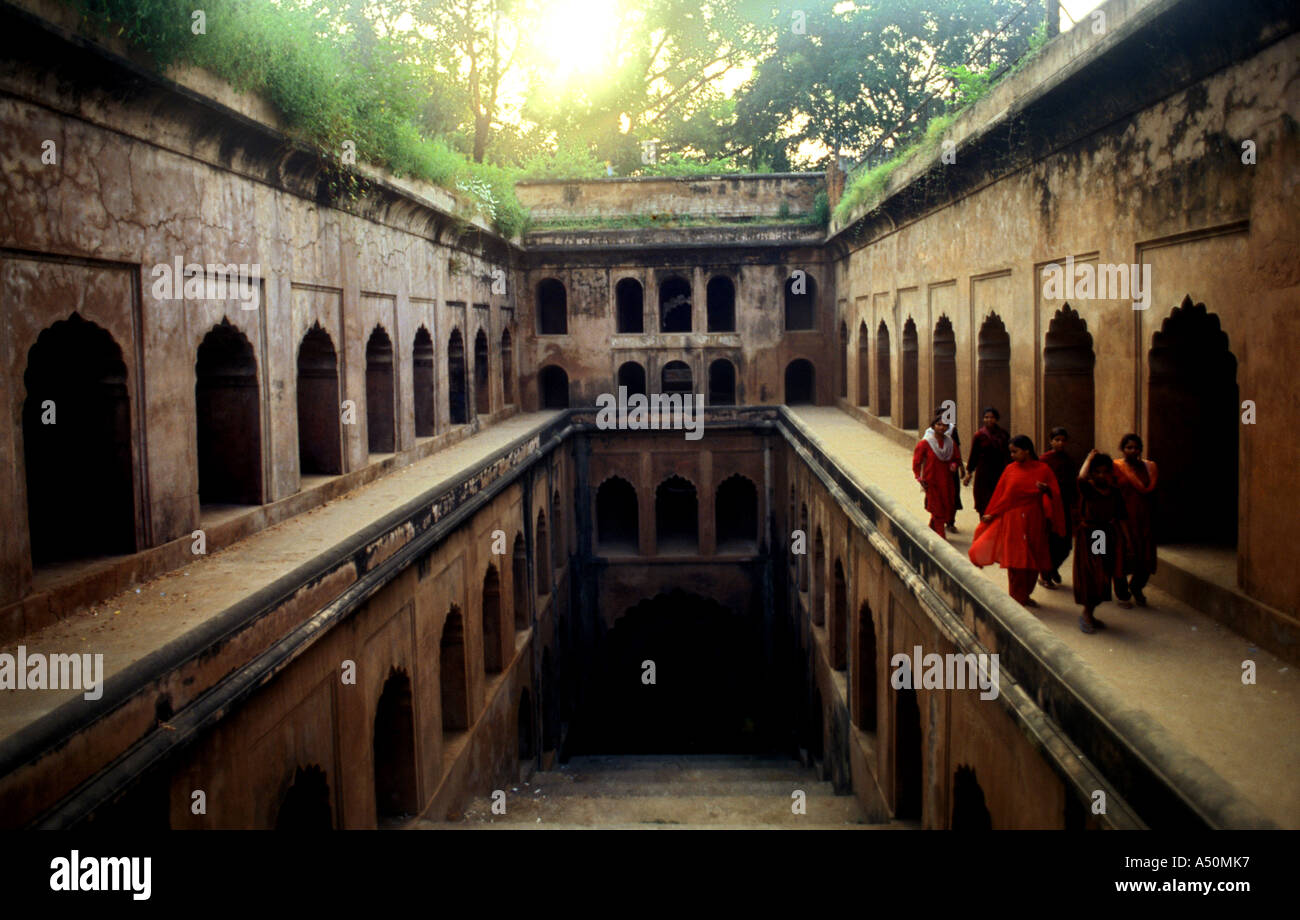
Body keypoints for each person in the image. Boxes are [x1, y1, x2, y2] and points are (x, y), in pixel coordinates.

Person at [968, 435, 1066, 607]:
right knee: (1015, 561)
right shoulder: (1010, 470)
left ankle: (1025, 594)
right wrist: (992, 513)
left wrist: (1046, 490)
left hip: (1035, 520)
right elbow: (1002, 495)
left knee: (1033, 559)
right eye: (1011, 452)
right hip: (1013, 520)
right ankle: (1016, 598)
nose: (1012, 455)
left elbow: (1055, 493)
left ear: (1027, 450)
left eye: (1015, 451)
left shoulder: (1043, 469)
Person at [1073, 450, 1126, 633]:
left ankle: (1091, 613)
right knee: (1092, 574)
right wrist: (1088, 459)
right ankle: (1087, 614)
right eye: (1097, 472)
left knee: (1102, 574)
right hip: (1092, 534)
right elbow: (1080, 478)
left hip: (1104, 534)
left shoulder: (1113, 491)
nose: (1101, 475)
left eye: (1105, 471)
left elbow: (1120, 515)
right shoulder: (1089, 488)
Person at [1112, 433, 1158, 607]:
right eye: (1128, 447)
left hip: (1144, 518)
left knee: (1145, 557)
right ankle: (1122, 593)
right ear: (1122, 449)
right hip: (1122, 518)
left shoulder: (1150, 467)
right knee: (1122, 556)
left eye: (1136, 447)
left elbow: (1153, 494)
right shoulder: (1116, 467)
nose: (1133, 451)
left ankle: (1137, 587)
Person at [1038, 427, 1079, 588]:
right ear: (1051, 441)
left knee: (1065, 545)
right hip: (1050, 507)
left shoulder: (1069, 460)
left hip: (1065, 506)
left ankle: (1053, 568)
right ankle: (1045, 576)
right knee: (1050, 542)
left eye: (1063, 440)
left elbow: (1073, 483)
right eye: (1057, 440)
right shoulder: (1044, 460)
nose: (1060, 443)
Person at [912, 413, 962, 538]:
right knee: (937, 507)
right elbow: (916, 462)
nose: (942, 428)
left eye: (945, 425)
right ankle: (941, 535)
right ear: (933, 426)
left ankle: (932, 529)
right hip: (931, 481)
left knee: (947, 505)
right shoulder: (925, 443)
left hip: (947, 481)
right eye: (939, 425)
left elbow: (956, 458)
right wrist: (919, 478)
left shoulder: (950, 443)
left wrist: (954, 465)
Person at [963, 408, 1010, 516]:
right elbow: (973, 455)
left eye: (992, 417)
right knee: (983, 501)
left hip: (999, 471)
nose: (989, 420)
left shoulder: (1003, 434)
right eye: (986, 417)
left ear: (996, 419)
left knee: (998, 498)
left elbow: (1008, 453)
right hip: (983, 473)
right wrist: (969, 473)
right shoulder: (979, 435)